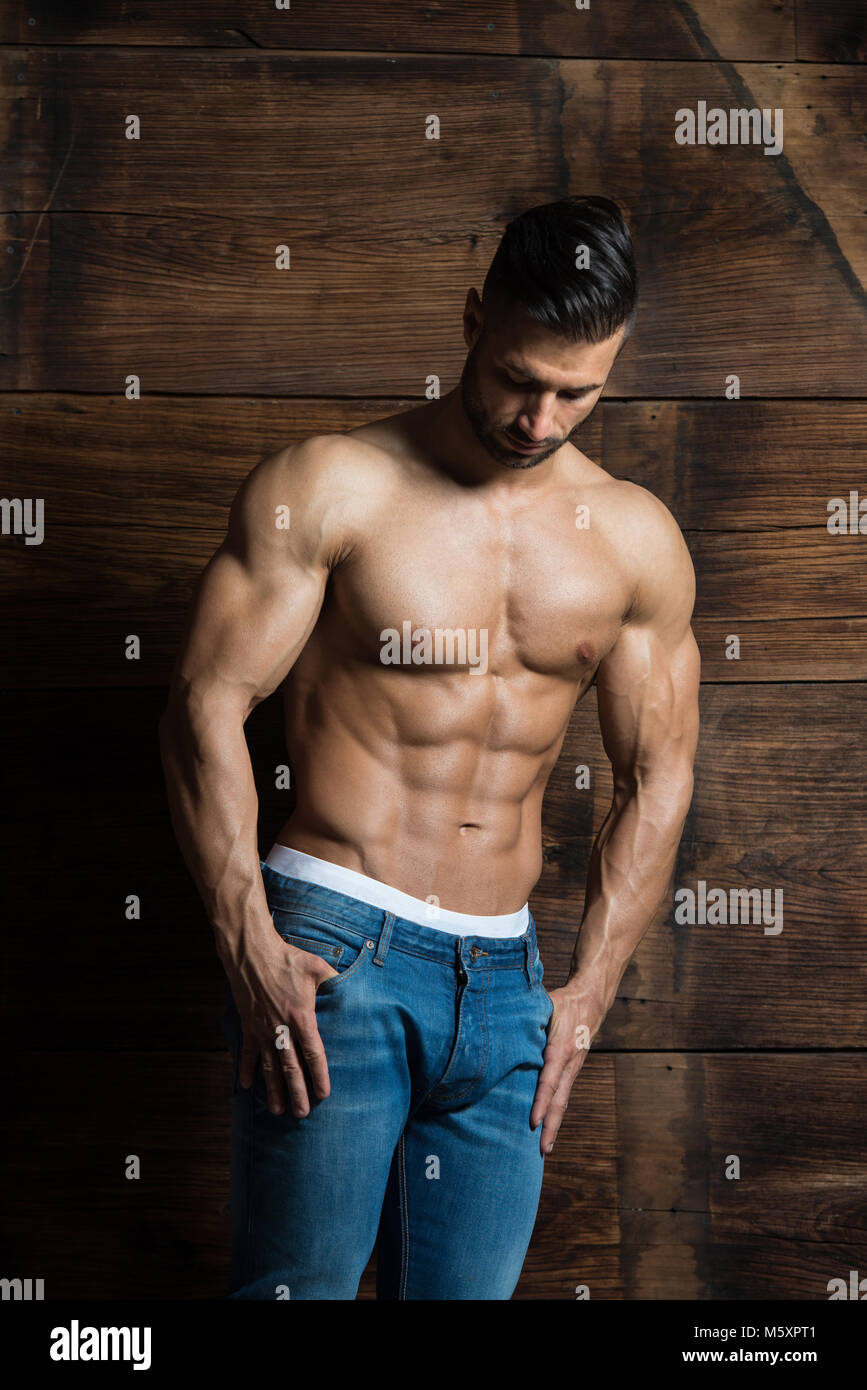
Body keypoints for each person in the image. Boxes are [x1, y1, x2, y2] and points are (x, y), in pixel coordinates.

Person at [159, 195, 700, 1299]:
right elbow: (204, 702)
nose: (539, 419)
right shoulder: (332, 485)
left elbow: (659, 773)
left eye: (576, 392)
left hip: (506, 982)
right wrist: (247, 942)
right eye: (517, 376)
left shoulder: (637, 541)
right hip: (336, 948)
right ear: (470, 321)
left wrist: (591, 988)